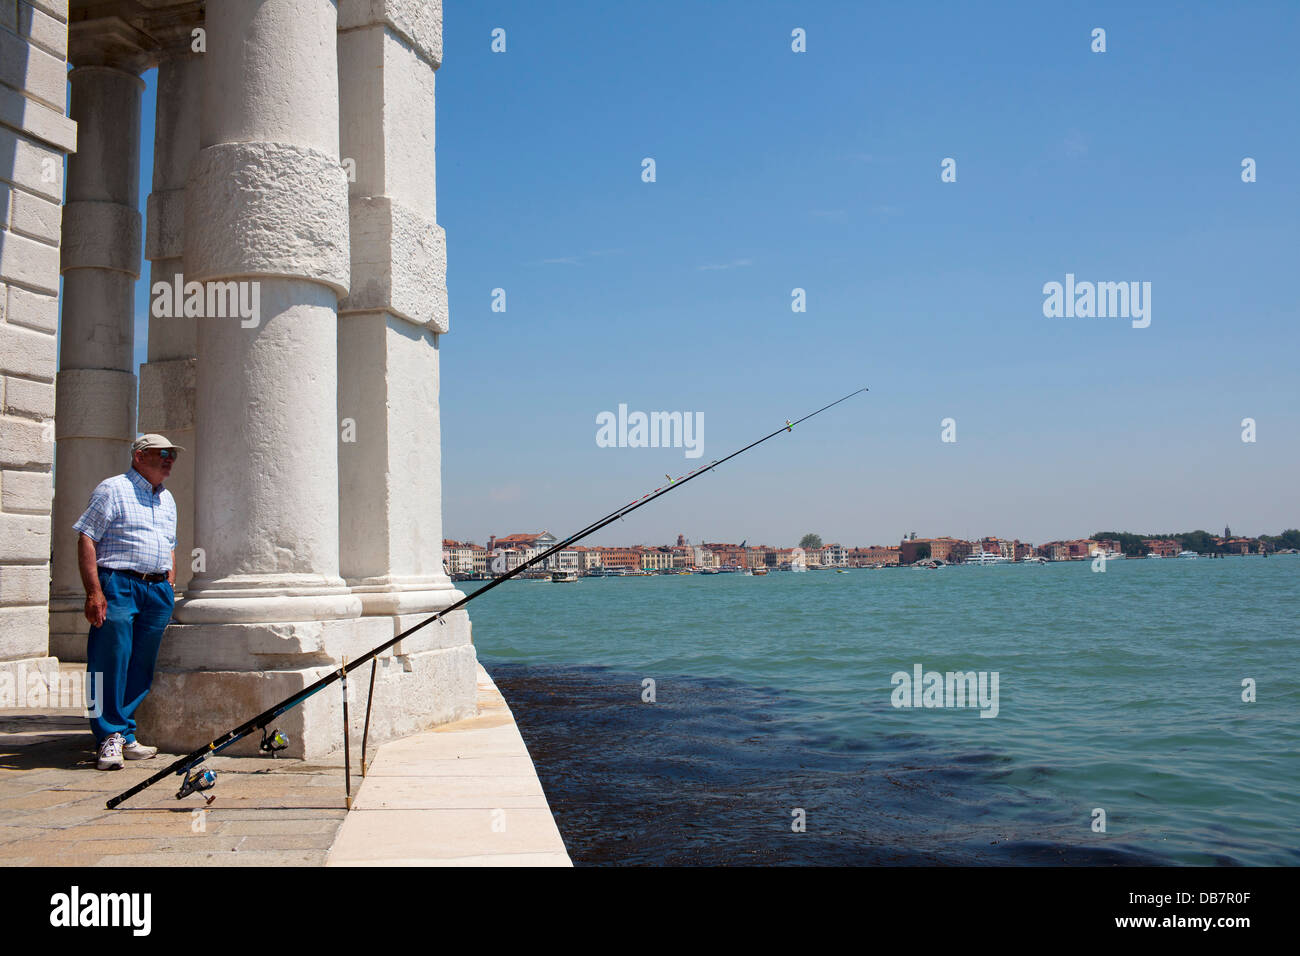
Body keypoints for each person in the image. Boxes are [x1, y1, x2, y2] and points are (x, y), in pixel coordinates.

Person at [73, 434, 182, 770]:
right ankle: (106, 736)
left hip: (157, 590)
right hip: (118, 582)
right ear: (138, 456)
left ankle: (124, 732)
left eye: (172, 455)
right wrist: (94, 592)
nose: (169, 459)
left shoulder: (168, 500)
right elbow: (87, 536)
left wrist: (170, 581)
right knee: (108, 661)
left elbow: (170, 543)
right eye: (162, 453)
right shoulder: (112, 488)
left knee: (141, 664)